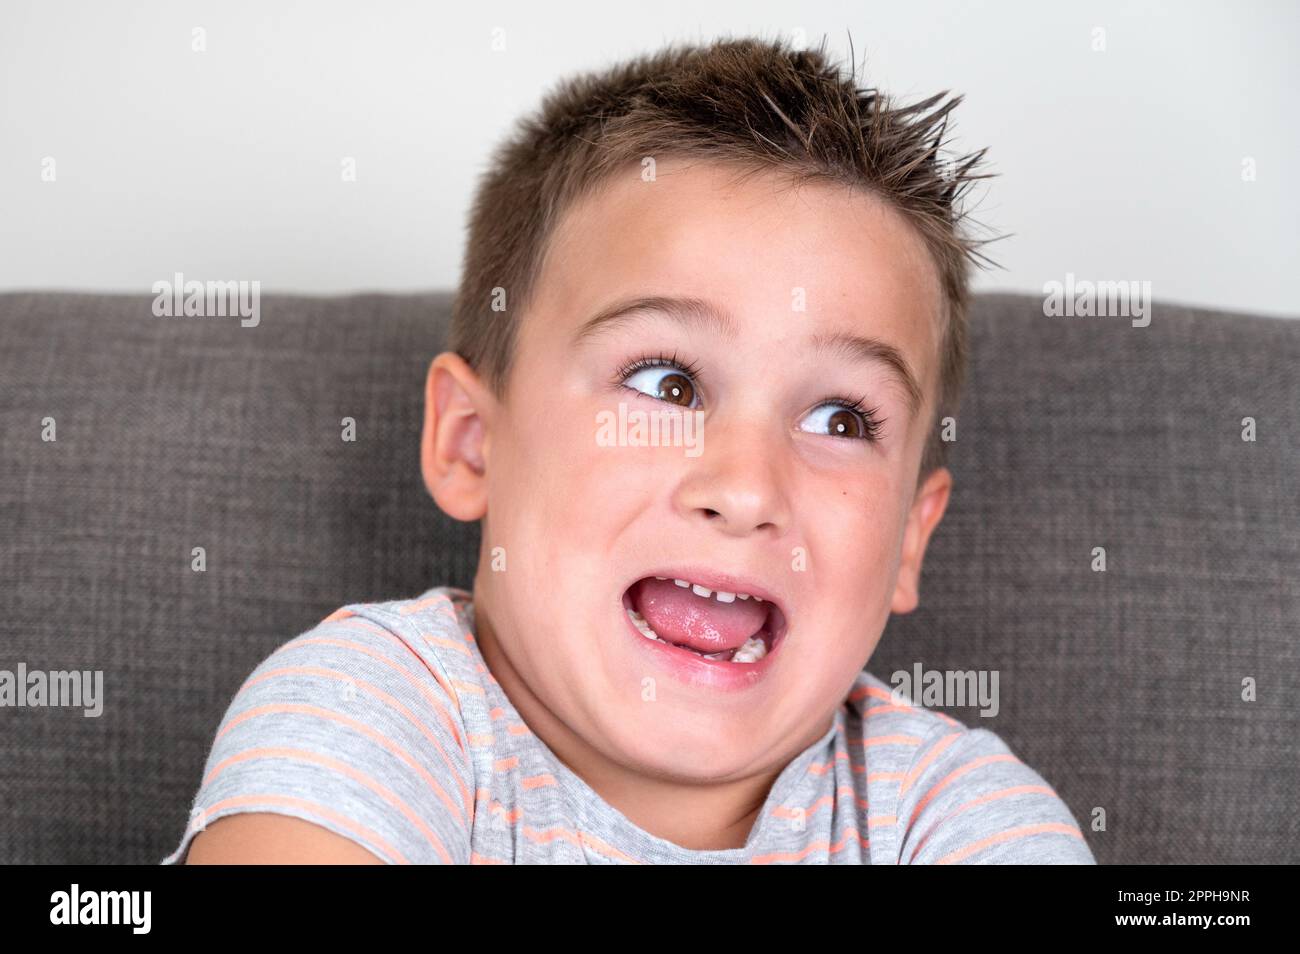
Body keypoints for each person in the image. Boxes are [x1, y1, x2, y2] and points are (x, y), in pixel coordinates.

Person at [163, 34, 1095, 864]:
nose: (744, 488)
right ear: (472, 444)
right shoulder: (372, 712)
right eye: (666, 383)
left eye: (841, 419)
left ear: (906, 540)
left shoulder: (952, 815)